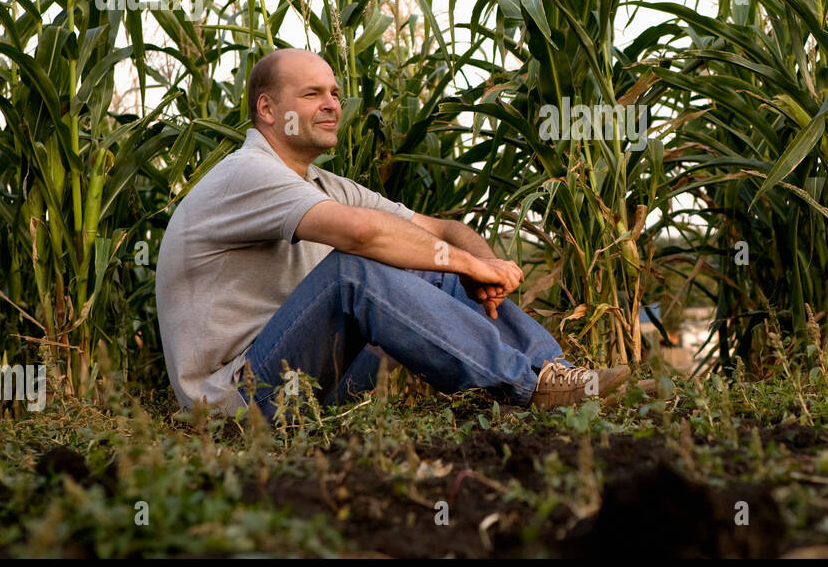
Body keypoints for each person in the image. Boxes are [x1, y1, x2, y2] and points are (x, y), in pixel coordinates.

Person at [155, 47, 629, 420]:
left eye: (336, 94)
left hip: (310, 380)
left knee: (433, 266)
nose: (332, 105)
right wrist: (464, 263)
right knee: (357, 270)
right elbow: (360, 233)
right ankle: (523, 388)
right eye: (312, 94)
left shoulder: (323, 185)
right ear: (267, 108)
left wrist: (482, 269)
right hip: (239, 397)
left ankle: (560, 378)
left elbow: (440, 229)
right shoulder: (246, 173)